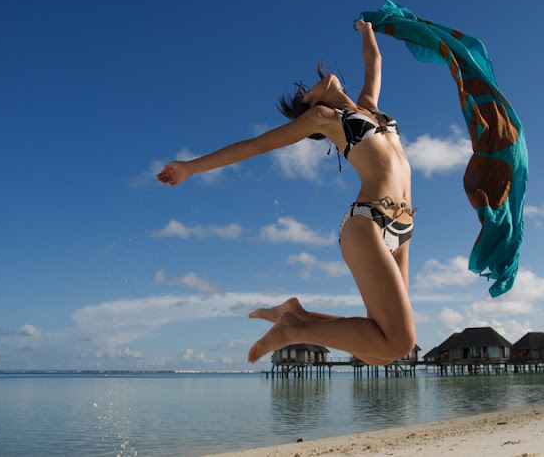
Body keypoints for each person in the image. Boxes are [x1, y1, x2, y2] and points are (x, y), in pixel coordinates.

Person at [156, 20, 416, 365]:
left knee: (381, 352)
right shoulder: (326, 118)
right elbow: (255, 146)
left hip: (403, 228)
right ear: (312, 107)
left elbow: (375, 61)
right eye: (305, 94)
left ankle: (295, 316)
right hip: (368, 221)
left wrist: (366, 29)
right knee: (400, 342)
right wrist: (190, 167)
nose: (310, 86)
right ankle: (293, 330)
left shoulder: (369, 106)